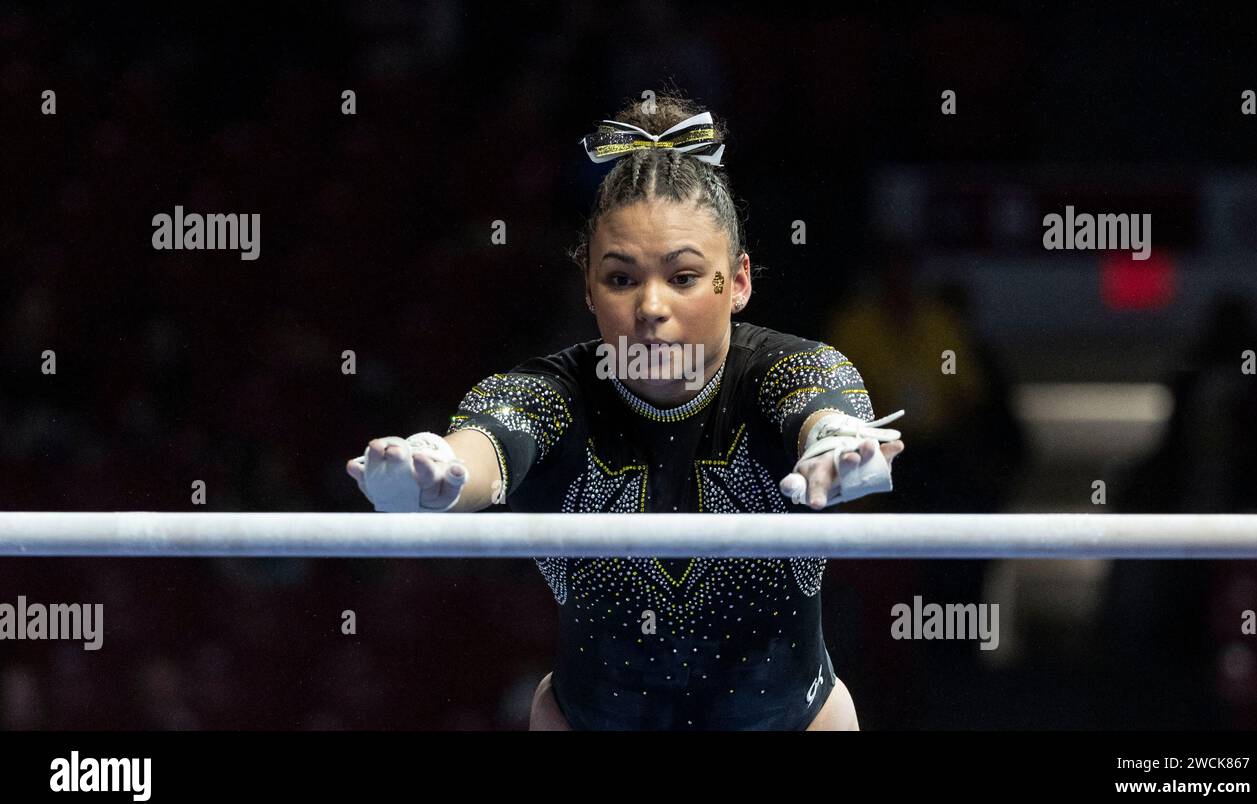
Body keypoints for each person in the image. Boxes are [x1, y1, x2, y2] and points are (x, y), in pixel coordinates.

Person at [346, 93, 905, 730]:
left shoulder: (782, 371)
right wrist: (436, 471)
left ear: (739, 281)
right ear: (587, 285)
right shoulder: (556, 394)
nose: (651, 307)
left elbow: (819, 403)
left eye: (685, 276)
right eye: (620, 279)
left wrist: (833, 437)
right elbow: (488, 443)